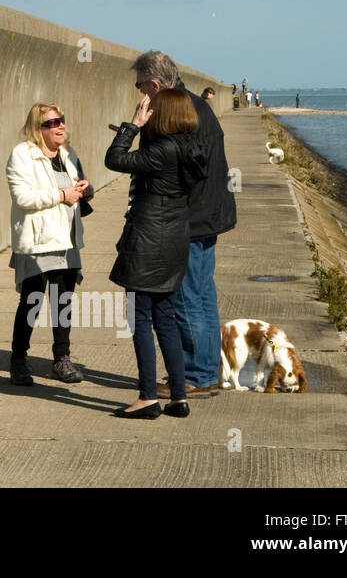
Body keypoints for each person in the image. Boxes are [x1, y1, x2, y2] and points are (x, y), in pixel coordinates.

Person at [131, 51, 237, 398]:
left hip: (189, 219)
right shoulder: (195, 105)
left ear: (156, 84)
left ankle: (196, 376)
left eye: (141, 84)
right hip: (207, 214)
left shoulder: (175, 111)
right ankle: (205, 371)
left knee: (187, 298)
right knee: (202, 295)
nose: (138, 90)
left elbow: (167, 169)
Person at [105, 89, 208, 418]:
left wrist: (132, 126)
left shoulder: (162, 150)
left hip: (149, 239)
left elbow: (115, 159)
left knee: (139, 317)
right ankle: (178, 396)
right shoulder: (191, 146)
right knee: (166, 320)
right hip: (175, 238)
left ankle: (148, 396)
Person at [5, 102, 93, 385]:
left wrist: (84, 190)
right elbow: (22, 198)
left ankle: (61, 359)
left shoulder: (68, 154)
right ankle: (18, 360)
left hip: (66, 239)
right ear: (37, 129)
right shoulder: (22, 155)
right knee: (32, 300)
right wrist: (61, 195)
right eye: (52, 123)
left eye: (61, 120)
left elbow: (76, 188)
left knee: (63, 300)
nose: (60, 126)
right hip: (38, 240)